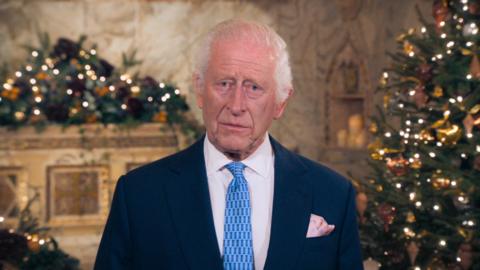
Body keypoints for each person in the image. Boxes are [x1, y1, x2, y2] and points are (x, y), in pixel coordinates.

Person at [94, 19, 363, 270]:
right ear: (199, 89)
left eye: (254, 88)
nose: (236, 105)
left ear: (281, 102)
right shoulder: (139, 194)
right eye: (224, 84)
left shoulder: (333, 194)